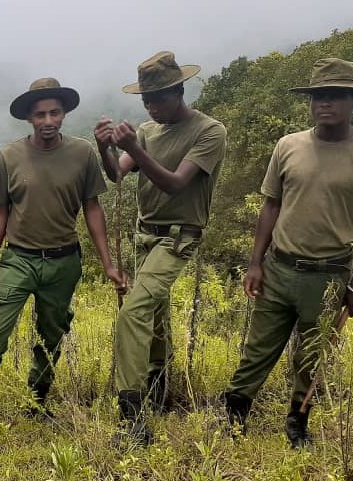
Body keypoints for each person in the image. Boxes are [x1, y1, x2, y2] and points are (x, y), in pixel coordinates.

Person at [0, 78, 126, 433]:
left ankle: (37, 403)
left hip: (64, 260)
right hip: (18, 259)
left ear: (64, 114)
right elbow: (0, 212)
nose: (48, 121)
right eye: (40, 115)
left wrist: (107, 263)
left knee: (51, 337)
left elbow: (92, 208)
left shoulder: (82, 154)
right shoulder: (10, 156)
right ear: (29, 119)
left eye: (54, 113)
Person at [96, 51, 227, 445]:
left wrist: (135, 149)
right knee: (153, 318)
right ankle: (159, 388)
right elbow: (116, 175)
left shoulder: (209, 131)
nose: (152, 107)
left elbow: (174, 183)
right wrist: (103, 147)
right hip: (145, 235)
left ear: (179, 91)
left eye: (159, 99)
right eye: (146, 100)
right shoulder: (148, 131)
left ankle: (133, 418)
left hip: (178, 238)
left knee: (132, 313)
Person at [224, 57, 353, 449]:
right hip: (280, 267)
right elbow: (271, 206)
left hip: (332, 274)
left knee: (311, 358)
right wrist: (255, 263)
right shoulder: (288, 145)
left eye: (334, 96)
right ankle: (234, 415)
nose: (323, 104)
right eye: (317, 97)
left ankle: (298, 423)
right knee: (258, 348)